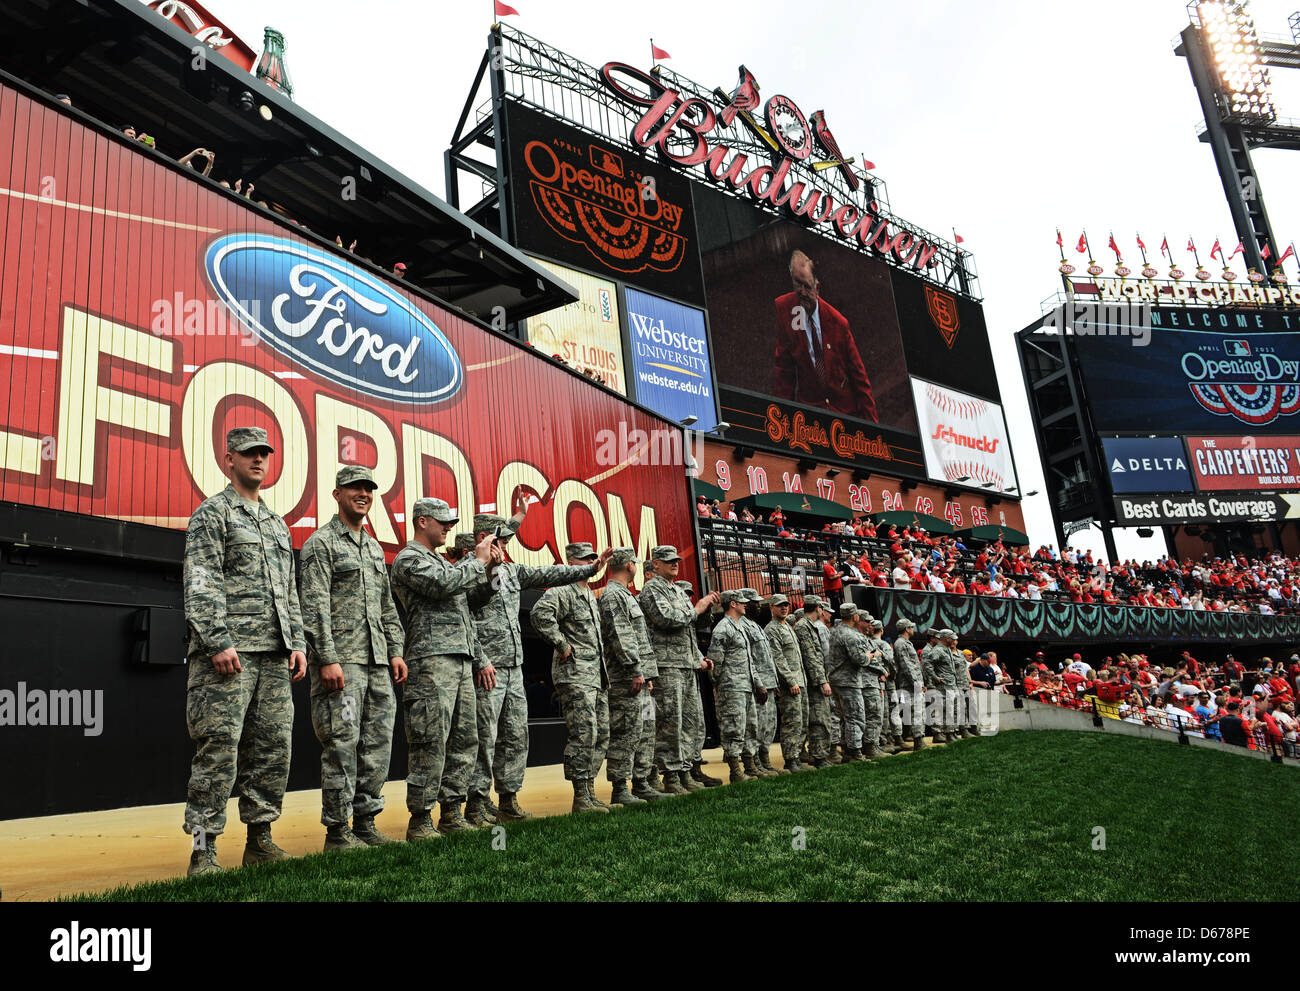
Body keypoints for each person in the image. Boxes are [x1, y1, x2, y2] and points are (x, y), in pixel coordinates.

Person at [182, 427, 308, 876]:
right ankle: (202, 850)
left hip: (274, 656)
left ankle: (259, 840)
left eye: (264, 454)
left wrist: (297, 643)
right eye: (250, 454)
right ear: (228, 459)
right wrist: (217, 640)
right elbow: (201, 580)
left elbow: (288, 591)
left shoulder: (276, 524)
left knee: (273, 749)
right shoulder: (212, 514)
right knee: (217, 751)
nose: (259, 460)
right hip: (229, 657)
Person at [464, 506, 611, 825]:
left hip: (513, 668)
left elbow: (549, 573)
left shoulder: (511, 572)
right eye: (501, 541)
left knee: (515, 736)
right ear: (483, 539)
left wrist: (586, 570)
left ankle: (507, 800)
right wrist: (480, 659)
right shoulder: (468, 569)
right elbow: (464, 620)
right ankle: (476, 802)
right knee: (484, 737)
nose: (506, 548)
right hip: (488, 668)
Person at [298, 466, 407, 851]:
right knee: (342, 745)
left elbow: (386, 606)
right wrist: (326, 658)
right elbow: (314, 605)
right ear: (336, 494)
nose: (363, 493)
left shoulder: (375, 548)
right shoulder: (321, 543)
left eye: (368, 489)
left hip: (377, 664)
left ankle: (365, 822)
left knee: (377, 743)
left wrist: (395, 650)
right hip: (342, 666)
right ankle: (337, 831)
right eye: (354, 488)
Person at [391, 499, 501, 838]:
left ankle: (452, 813)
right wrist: (476, 560)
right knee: (430, 740)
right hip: (430, 661)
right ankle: (420, 819)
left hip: (460, 659)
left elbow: (472, 603)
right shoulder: (409, 559)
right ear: (422, 521)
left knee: (465, 739)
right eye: (443, 522)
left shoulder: (443, 562)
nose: (449, 528)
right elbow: (442, 585)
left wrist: (491, 568)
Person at [529, 543, 615, 814]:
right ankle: (580, 796)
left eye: (593, 557)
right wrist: (561, 643)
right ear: (571, 561)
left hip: (595, 676)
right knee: (584, 733)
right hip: (575, 675)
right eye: (586, 559)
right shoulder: (562, 589)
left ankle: (589, 790)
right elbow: (539, 615)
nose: (592, 562)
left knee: (601, 733)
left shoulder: (588, 593)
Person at [640, 551, 718, 793]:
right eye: (670, 561)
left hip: (686, 664)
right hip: (666, 665)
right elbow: (667, 619)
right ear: (656, 564)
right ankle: (670, 776)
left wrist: (697, 657)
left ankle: (685, 771)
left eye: (677, 561)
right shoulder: (653, 589)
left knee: (690, 722)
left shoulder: (675, 590)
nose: (676, 564)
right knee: (670, 723)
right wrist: (698, 607)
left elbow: (690, 629)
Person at [772, 249, 878, 421]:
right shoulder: (785, 309)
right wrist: (781, 419)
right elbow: (784, 370)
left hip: (843, 412)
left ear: (817, 287)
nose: (802, 292)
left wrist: (873, 429)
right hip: (810, 414)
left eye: (807, 286)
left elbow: (859, 377)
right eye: (797, 284)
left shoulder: (838, 322)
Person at [598, 549, 660, 806]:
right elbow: (621, 637)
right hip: (626, 679)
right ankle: (620, 787)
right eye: (634, 561)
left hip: (641, 678)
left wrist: (646, 674)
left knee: (646, 728)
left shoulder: (626, 594)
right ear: (628, 565)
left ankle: (642, 782)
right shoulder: (613, 595)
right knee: (627, 731)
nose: (636, 565)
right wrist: (635, 669)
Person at [707, 590, 763, 782]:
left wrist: (757, 683)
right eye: (741, 602)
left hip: (745, 685)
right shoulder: (723, 628)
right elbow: (715, 660)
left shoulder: (738, 627)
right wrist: (717, 683)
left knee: (750, 727)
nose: (745, 604)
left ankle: (750, 765)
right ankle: (736, 771)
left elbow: (749, 660)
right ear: (732, 604)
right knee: (734, 729)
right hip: (731, 687)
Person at [738, 589, 782, 777]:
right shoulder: (743, 626)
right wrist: (759, 683)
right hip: (758, 685)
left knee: (769, 726)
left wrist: (775, 681)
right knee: (757, 727)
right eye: (754, 602)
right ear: (745, 604)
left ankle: (765, 761)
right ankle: (754, 763)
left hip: (769, 682)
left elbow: (766, 657)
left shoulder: (755, 625)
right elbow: (750, 660)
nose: (758, 605)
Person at [765, 594, 809, 772]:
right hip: (790, 684)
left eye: (786, 605)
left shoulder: (788, 627)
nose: (784, 608)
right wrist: (790, 681)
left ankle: (797, 756)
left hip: (801, 680)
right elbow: (778, 659)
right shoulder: (772, 629)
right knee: (791, 722)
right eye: (779, 606)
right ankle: (790, 759)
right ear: (772, 608)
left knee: (802, 721)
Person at [789, 596, 834, 767]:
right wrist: (822, 681)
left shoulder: (809, 626)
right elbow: (810, 657)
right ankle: (819, 756)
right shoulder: (803, 627)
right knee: (819, 719)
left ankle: (821, 755)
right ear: (818, 608)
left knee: (821, 719)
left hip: (815, 680)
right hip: (813, 682)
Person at [827, 604, 872, 760]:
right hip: (849, 681)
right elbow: (859, 659)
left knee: (844, 718)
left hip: (836, 680)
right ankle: (855, 752)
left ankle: (847, 750)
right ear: (855, 617)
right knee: (855, 717)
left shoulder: (835, 631)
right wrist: (870, 656)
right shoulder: (851, 635)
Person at [892, 620, 927, 750]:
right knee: (916, 712)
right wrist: (916, 683)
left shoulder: (906, 643)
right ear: (907, 629)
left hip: (913, 683)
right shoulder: (901, 643)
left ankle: (919, 739)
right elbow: (906, 665)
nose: (913, 629)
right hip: (909, 685)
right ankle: (918, 741)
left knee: (919, 711)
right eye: (911, 627)